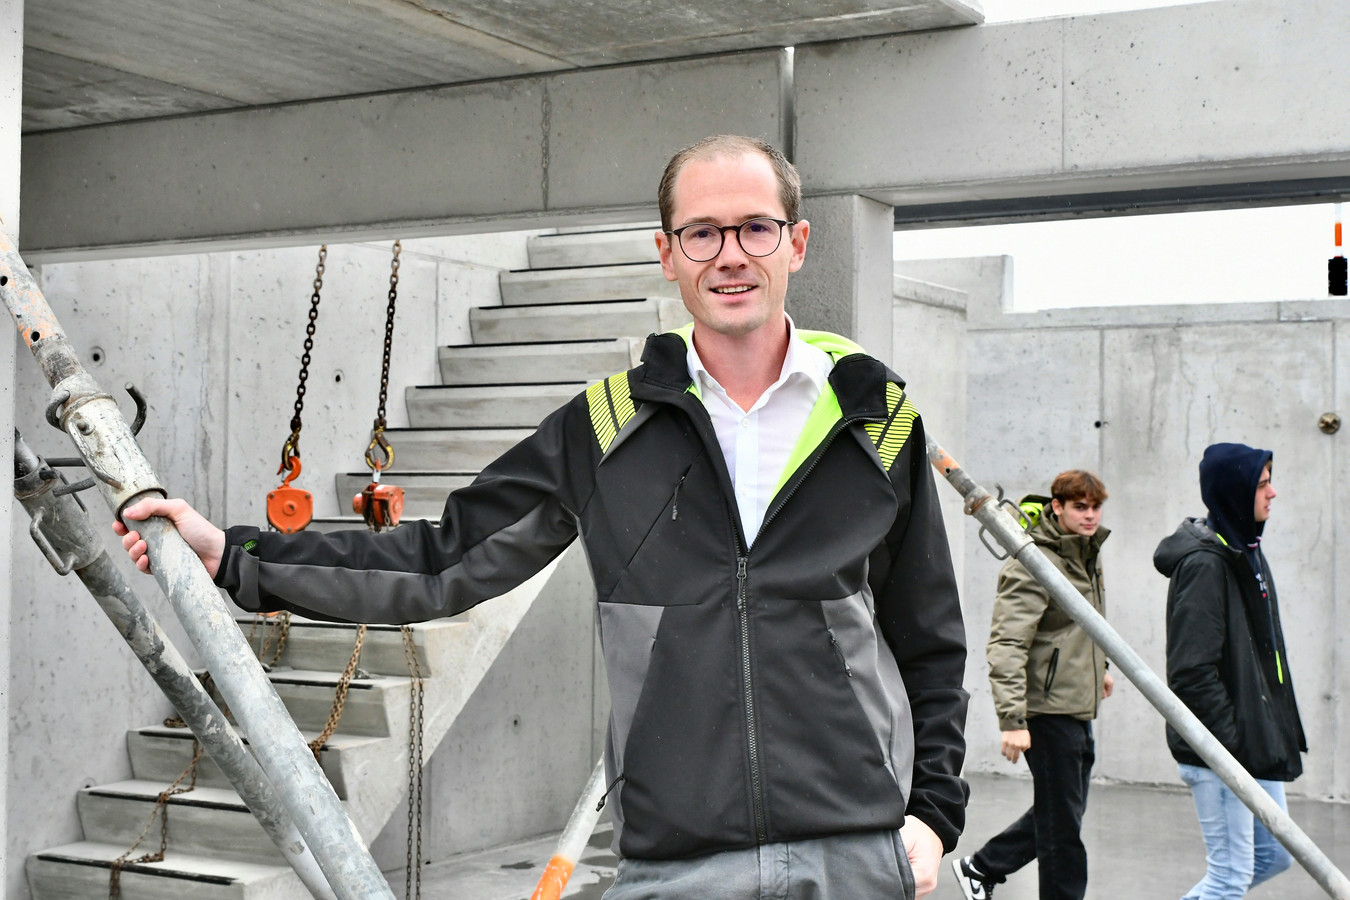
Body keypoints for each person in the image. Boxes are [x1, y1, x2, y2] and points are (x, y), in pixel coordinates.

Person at [116, 134, 969, 899]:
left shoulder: (875, 420)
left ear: (796, 242)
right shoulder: (604, 430)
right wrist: (234, 551)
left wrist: (932, 819)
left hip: (859, 859)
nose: (730, 255)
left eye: (755, 227)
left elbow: (928, 639)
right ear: (667, 254)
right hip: (677, 866)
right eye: (702, 233)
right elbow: (439, 562)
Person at [952, 471, 1112, 900]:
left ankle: (982, 867)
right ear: (1056, 507)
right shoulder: (1035, 561)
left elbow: (1082, 625)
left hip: (1075, 705)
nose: (1090, 515)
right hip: (1046, 711)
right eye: (1080, 506)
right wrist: (1013, 720)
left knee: (1062, 812)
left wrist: (1102, 667)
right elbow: (1007, 644)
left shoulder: (1083, 554)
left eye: (1095, 507)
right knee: (1063, 833)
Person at [1154, 443, 1304, 899]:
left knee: (1274, 855)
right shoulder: (1205, 564)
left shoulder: (1246, 553)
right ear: (1236, 492)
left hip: (1251, 741)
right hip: (1221, 749)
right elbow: (1191, 672)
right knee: (1229, 878)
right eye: (1262, 484)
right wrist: (1231, 745)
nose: (1273, 493)